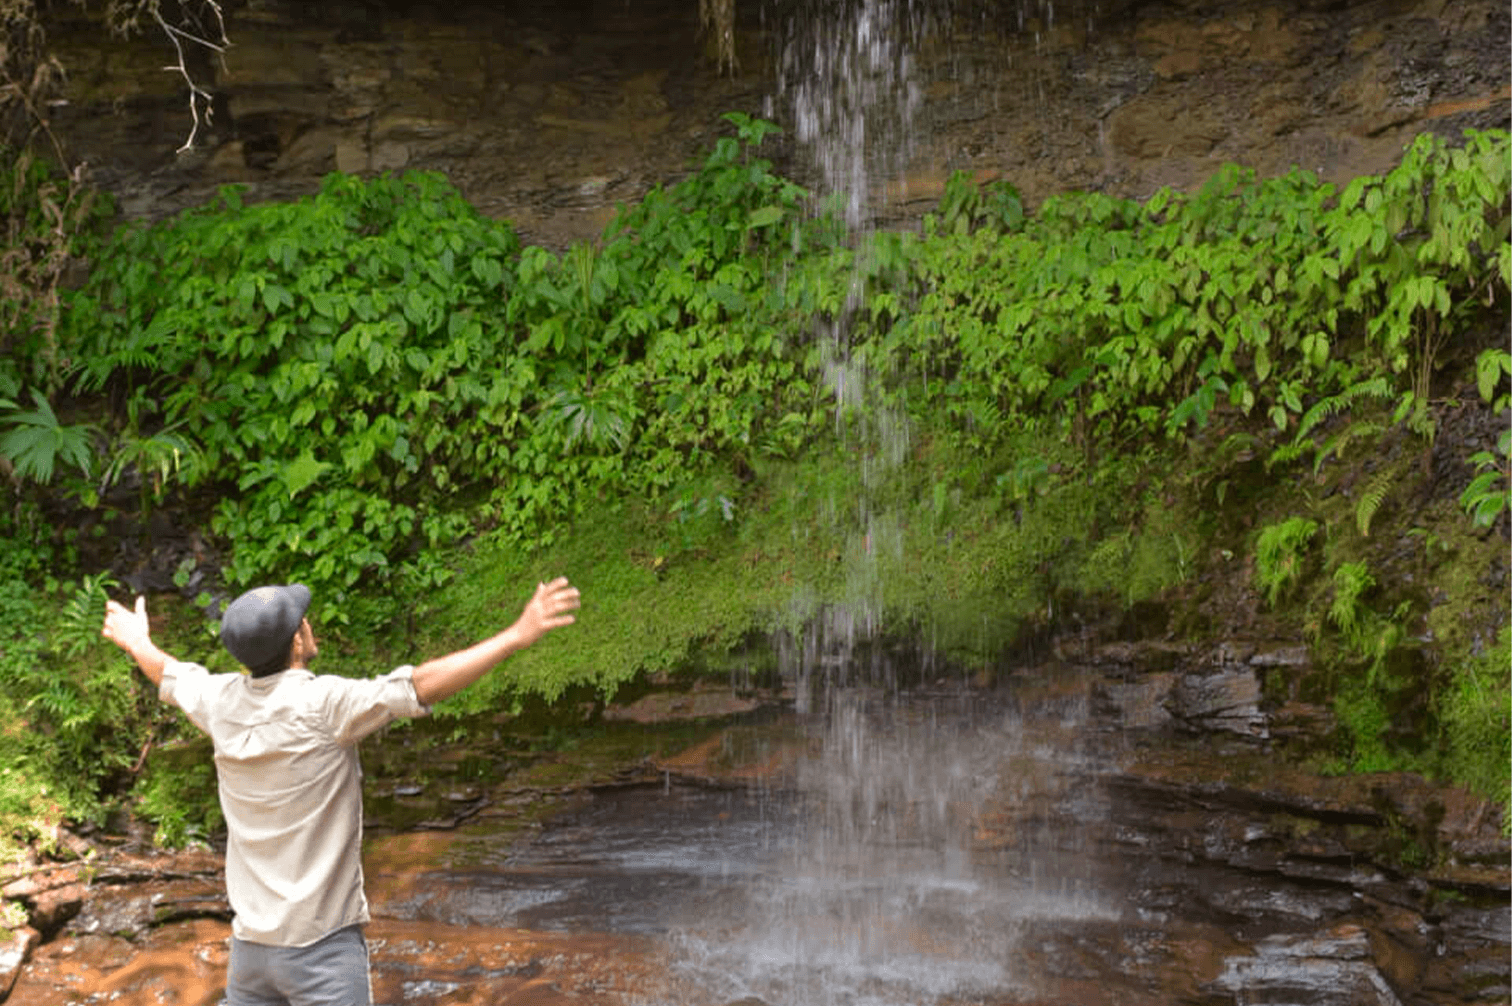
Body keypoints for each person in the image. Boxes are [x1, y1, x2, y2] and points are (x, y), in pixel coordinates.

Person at [101, 577, 581, 1006]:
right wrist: (515, 637)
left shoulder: (221, 703)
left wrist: (136, 640)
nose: (308, 621)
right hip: (322, 949)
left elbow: (165, 671)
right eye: (301, 618)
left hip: (251, 950)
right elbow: (417, 687)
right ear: (296, 641)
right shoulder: (323, 704)